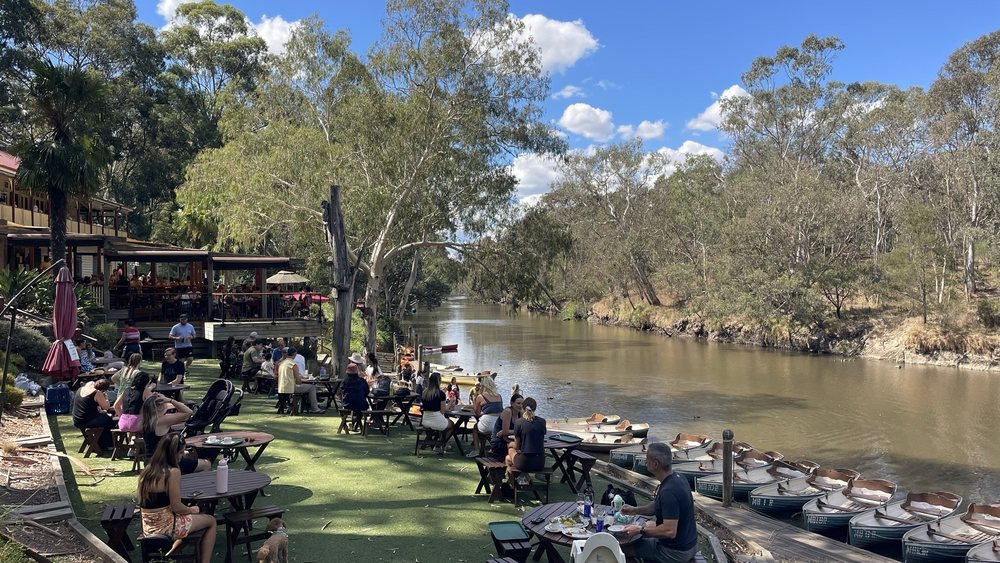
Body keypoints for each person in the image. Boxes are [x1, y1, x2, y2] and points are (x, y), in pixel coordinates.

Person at [137, 433, 217, 563]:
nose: (183, 455)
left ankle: (171, 553)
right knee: (211, 520)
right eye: (180, 453)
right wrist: (192, 509)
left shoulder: (148, 470)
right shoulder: (172, 472)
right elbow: (177, 507)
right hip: (166, 527)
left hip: (148, 527)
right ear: (172, 453)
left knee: (189, 519)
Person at [621, 442, 698, 563]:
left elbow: (669, 531)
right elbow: (655, 506)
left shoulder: (669, 492)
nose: (646, 462)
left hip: (675, 552)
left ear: (656, 464)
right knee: (644, 533)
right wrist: (633, 510)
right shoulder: (678, 477)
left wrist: (640, 530)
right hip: (689, 544)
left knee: (622, 547)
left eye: (647, 460)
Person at [141, 395, 209, 473]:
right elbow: (188, 412)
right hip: (165, 462)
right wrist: (170, 400)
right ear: (160, 408)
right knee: (206, 464)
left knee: (189, 456)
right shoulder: (162, 420)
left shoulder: (146, 421)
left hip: (151, 460)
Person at [275, 348, 323, 414]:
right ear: (295, 354)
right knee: (312, 387)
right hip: (291, 388)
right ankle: (315, 408)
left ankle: (292, 407)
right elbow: (298, 380)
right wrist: (303, 381)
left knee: (303, 388)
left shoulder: (282, 363)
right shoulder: (293, 364)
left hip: (281, 388)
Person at [506, 397, 546, 473]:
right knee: (509, 457)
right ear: (535, 408)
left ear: (523, 408)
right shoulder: (542, 421)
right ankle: (523, 479)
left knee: (509, 453)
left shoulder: (519, 422)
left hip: (524, 463)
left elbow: (517, 446)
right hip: (540, 463)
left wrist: (510, 444)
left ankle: (512, 481)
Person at [72, 379, 115, 450]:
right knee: (109, 420)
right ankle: (108, 444)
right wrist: (106, 397)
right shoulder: (97, 393)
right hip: (87, 421)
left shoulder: (81, 389)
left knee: (103, 418)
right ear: (103, 389)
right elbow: (106, 407)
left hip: (77, 420)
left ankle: (98, 443)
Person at [420, 372, 455, 454]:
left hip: (425, 420)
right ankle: (441, 444)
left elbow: (432, 401)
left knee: (443, 424)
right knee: (452, 424)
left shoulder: (425, 392)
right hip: (436, 420)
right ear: (438, 381)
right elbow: (443, 410)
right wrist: (451, 402)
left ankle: (438, 443)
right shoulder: (441, 394)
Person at [470, 377, 503, 458]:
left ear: (484, 386)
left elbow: (477, 413)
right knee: (483, 429)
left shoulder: (481, 396)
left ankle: (476, 450)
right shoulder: (499, 396)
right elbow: (498, 410)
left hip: (488, 424)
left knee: (475, 428)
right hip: (499, 424)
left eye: (481, 385)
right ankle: (485, 448)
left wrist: (474, 400)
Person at [489, 394, 523, 460]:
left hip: (509, 440)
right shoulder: (508, 411)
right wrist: (507, 432)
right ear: (512, 403)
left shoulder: (520, 412)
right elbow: (506, 432)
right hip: (499, 442)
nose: (521, 406)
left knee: (522, 446)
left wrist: (506, 432)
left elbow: (522, 429)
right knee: (518, 447)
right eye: (518, 403)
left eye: (522, 404)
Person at [340, 363, 369, 431]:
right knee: (363, 405)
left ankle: (355, 423)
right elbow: (367, 392)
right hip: (360, 404)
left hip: (347, 404)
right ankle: (357, 422)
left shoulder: (345, 381)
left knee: (358, 404)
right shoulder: (362, 381)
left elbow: (340, 392)